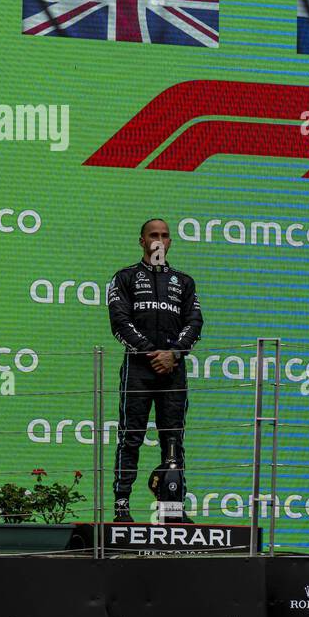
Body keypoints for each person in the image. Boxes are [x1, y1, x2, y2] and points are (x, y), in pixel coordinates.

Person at [106, 218, 204, 523]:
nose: (159, 240)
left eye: (164, 235)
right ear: (142, 241)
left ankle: (173, 509)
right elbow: (119, 322)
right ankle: (122, 505)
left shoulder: (184, 282)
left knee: (173, 439)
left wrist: (173, 354)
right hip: (139, 369)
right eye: (153, 235)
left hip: (173, 371)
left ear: (171, 241)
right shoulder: (124, 278)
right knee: (130, 437)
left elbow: (195, 323)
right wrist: (152, 353)